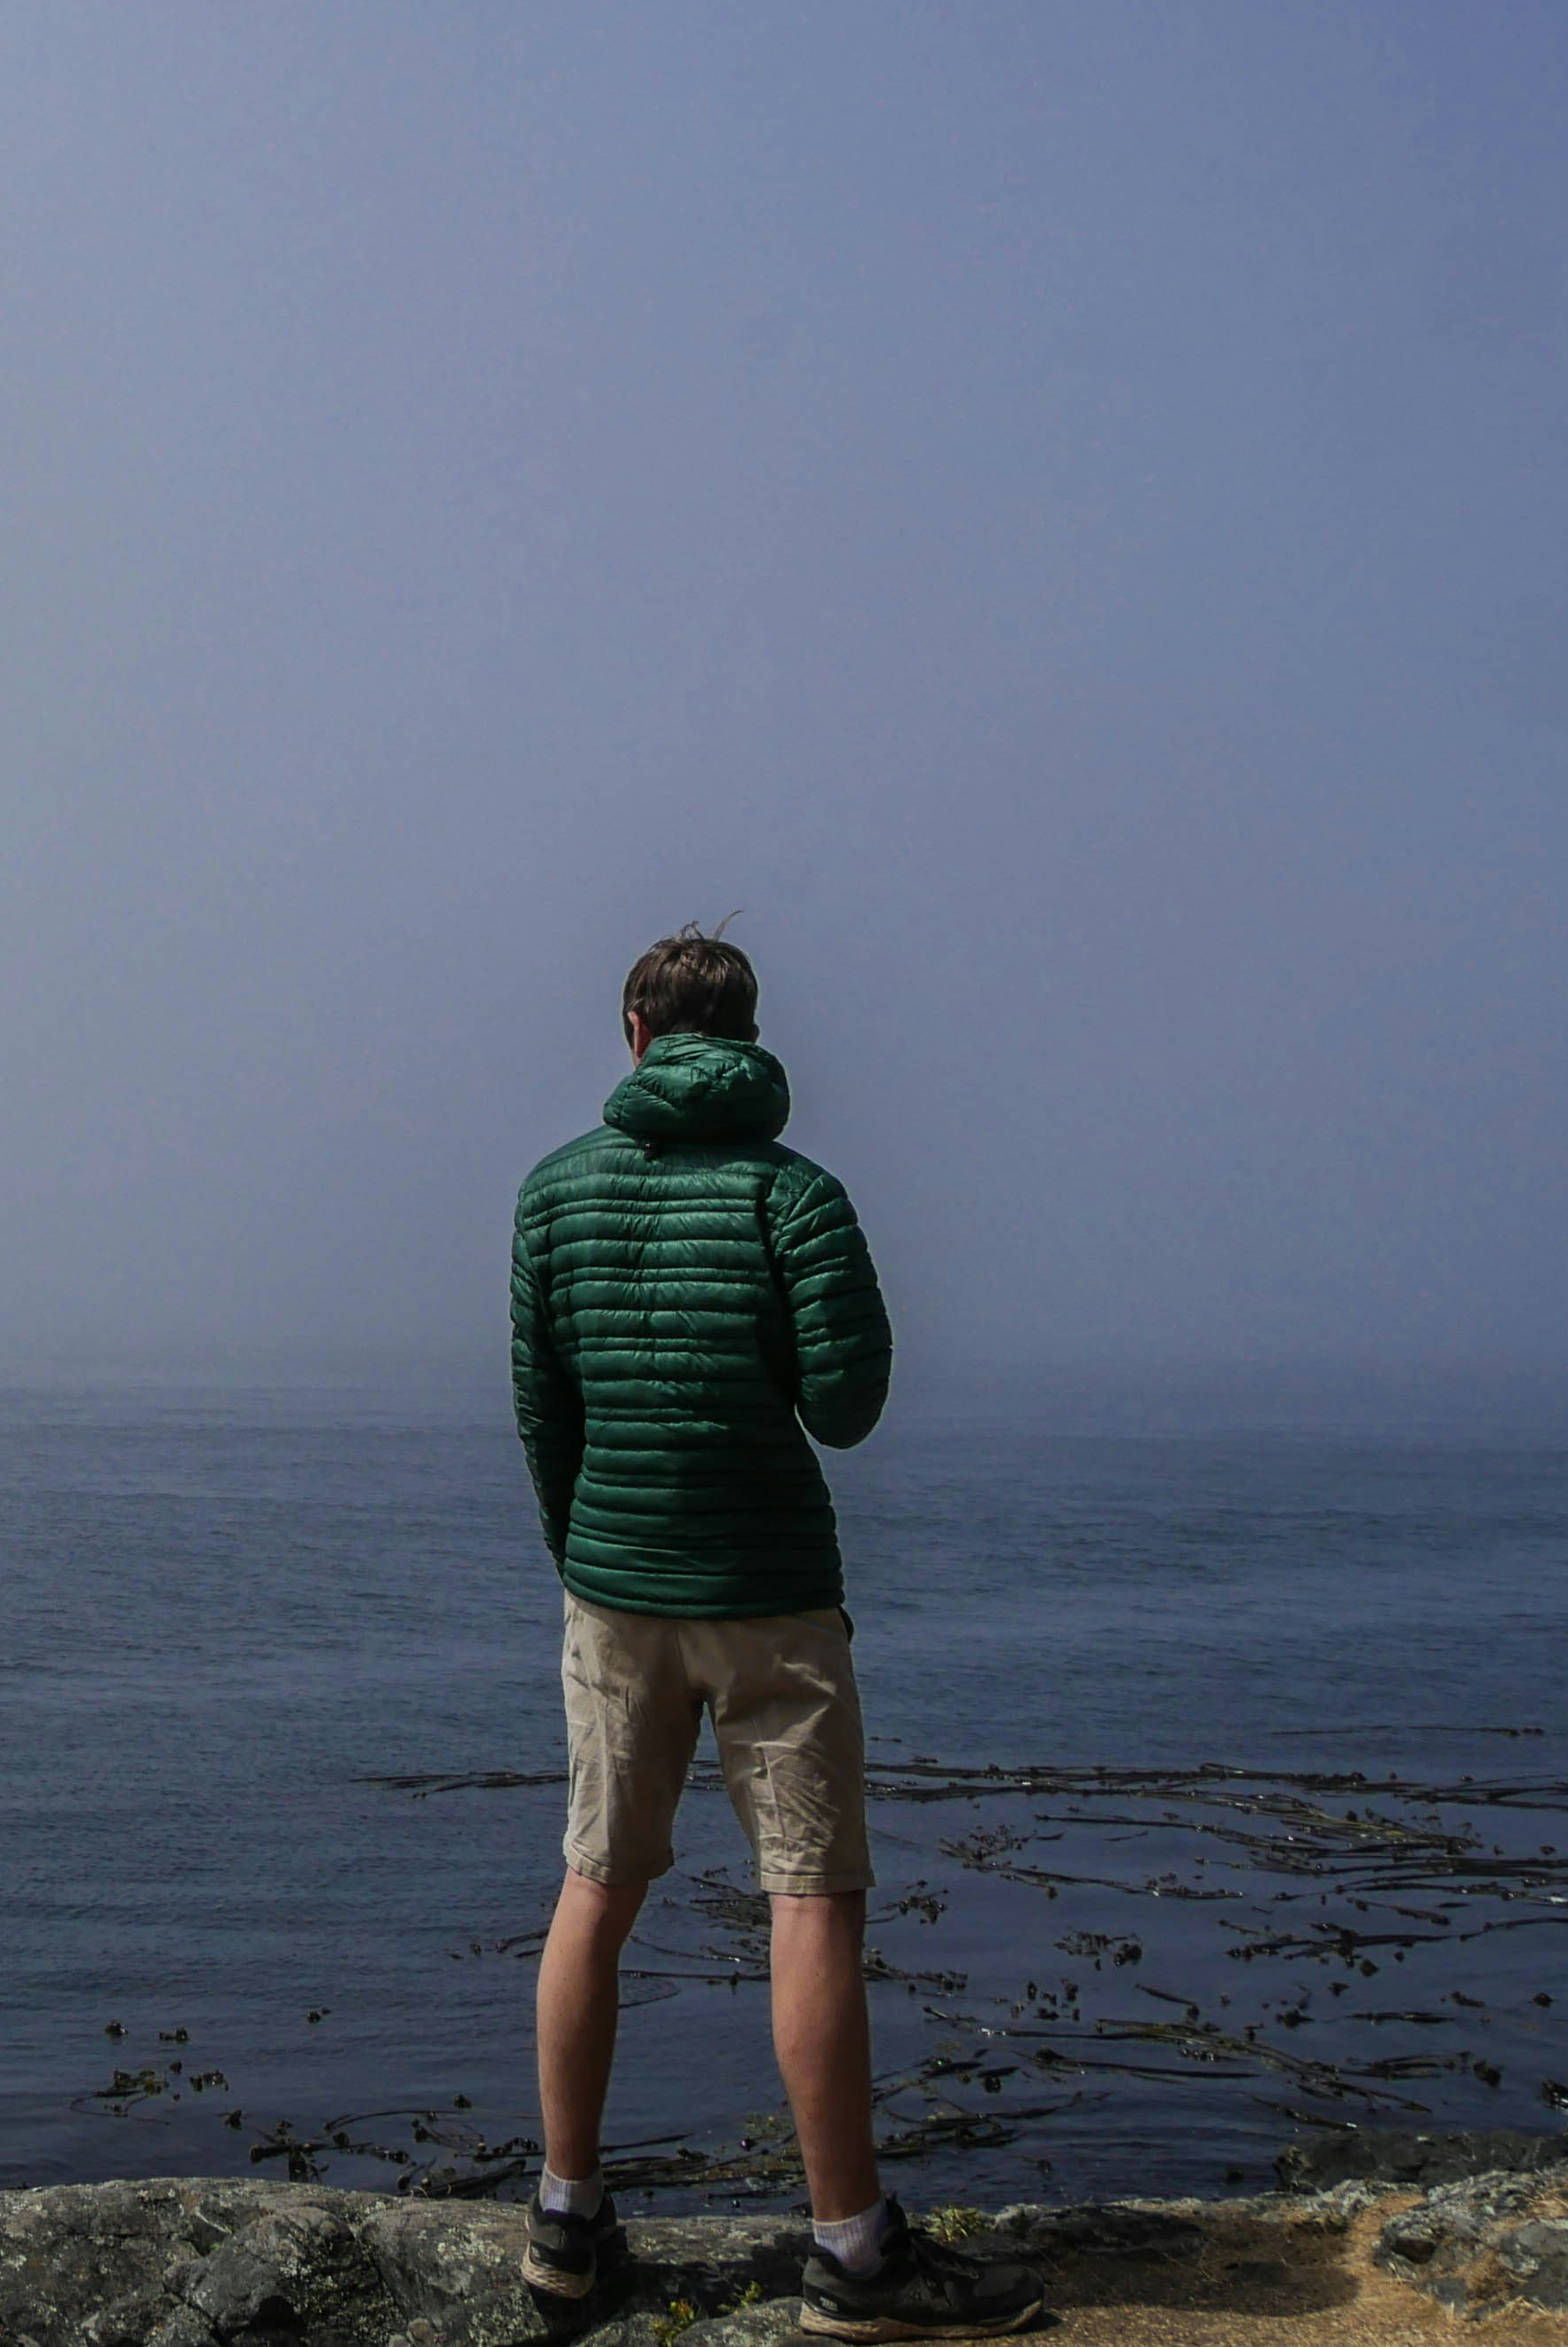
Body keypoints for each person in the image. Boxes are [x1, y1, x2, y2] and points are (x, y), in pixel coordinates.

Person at [507, 928, 1044, 2341]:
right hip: (773, 1600)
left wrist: (591, 1553)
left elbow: (542, 1411)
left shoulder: (553, 1192)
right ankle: (853, 2256)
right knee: (808, 1902)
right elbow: (847, 1407)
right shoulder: (795, 1195)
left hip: (614, 1591)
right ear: (746, 1031)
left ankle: (566, 2228)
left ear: (632, 1029)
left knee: (595, 1887)